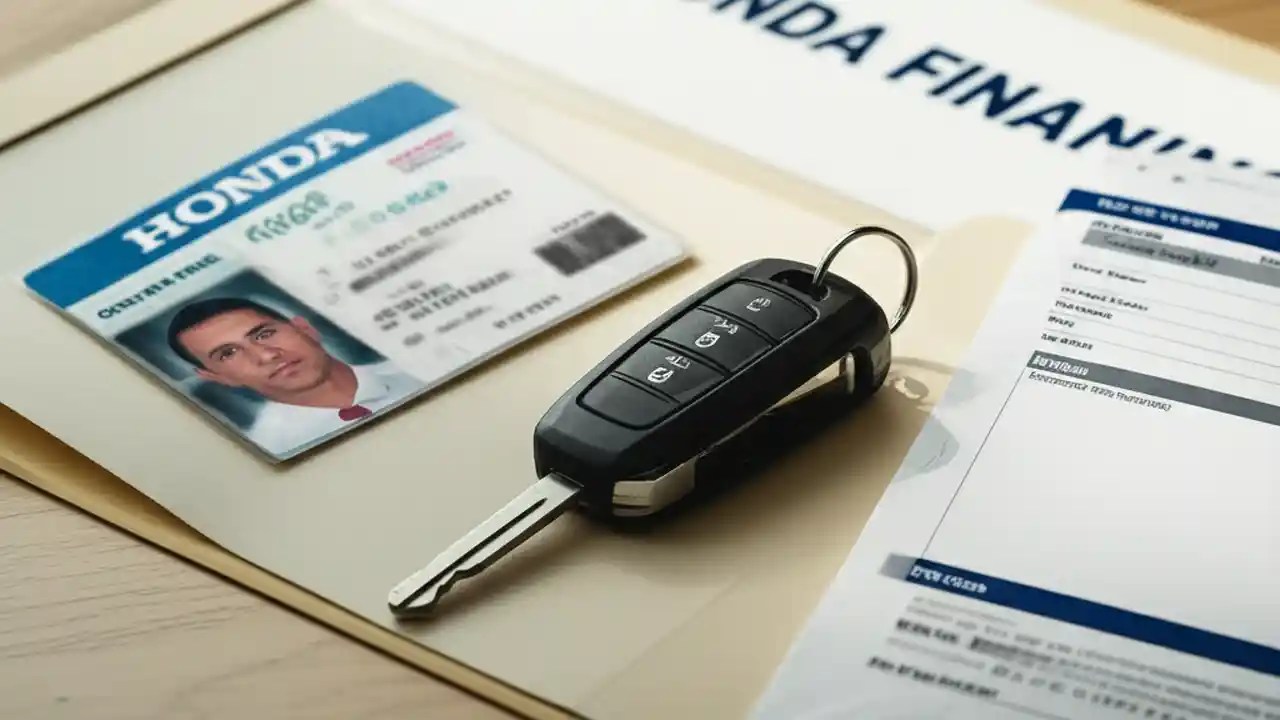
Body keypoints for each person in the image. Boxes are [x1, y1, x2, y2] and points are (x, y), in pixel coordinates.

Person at [166, 297, 422, 457]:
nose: (266, 356)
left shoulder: (421, 367)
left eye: (264, 334)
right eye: (228, 353)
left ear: (305, 329)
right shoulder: (271, 451)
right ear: (217, 377)